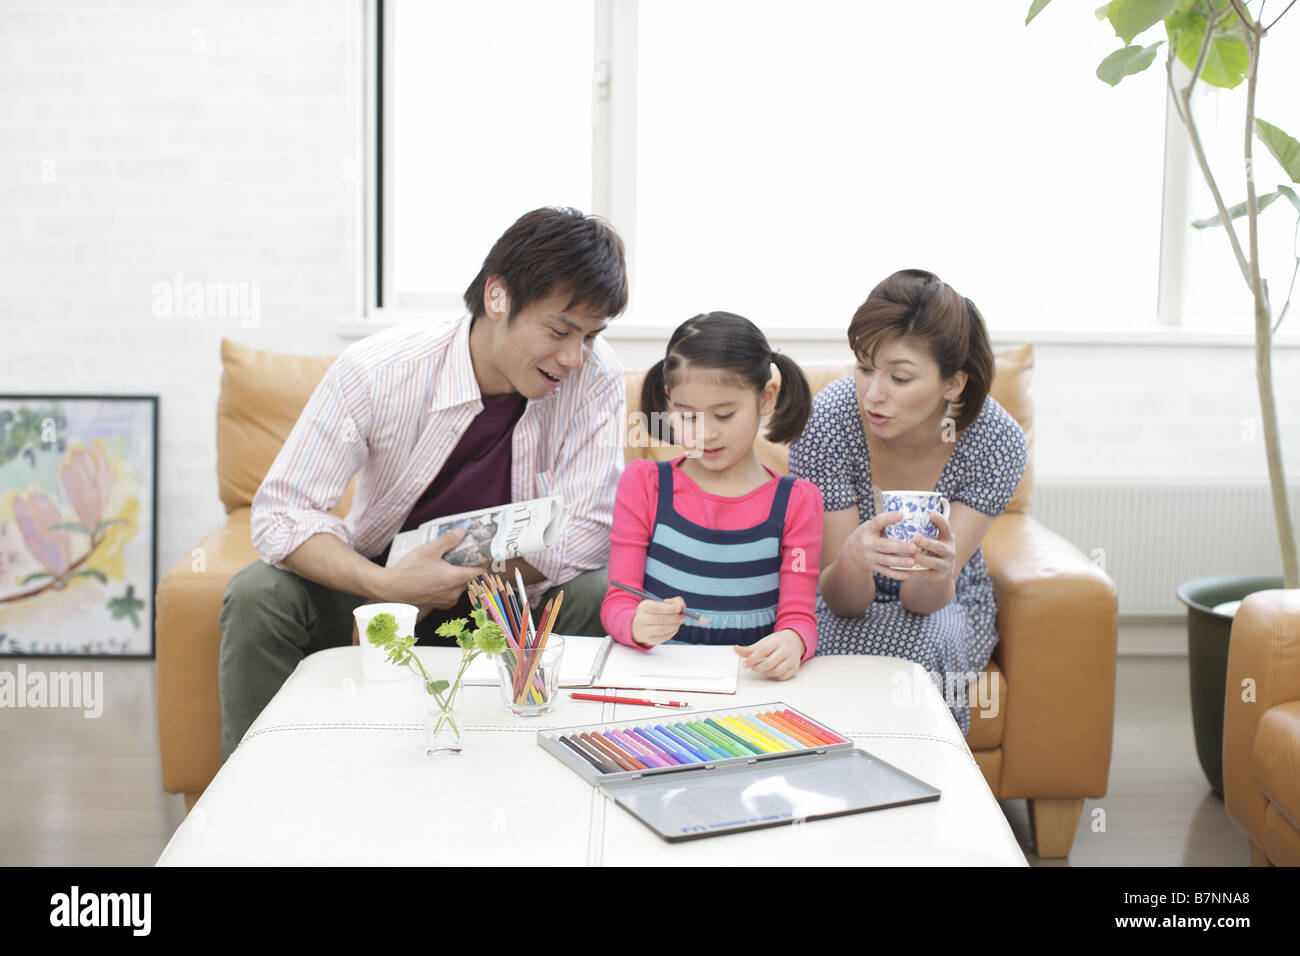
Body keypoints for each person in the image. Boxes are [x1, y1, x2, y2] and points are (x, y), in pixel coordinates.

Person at [219, 207, 629, 761]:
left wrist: (459, 578)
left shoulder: (595, 378)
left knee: (597, 591)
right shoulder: (378, 370)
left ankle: (557, 776)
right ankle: (255, 794)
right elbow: (281, 513)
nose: (573, 357)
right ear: (498, 297)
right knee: (257, 594)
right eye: (559, 330)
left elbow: (590, 531)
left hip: (504, 600)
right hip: (375, 588)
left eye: (590, 336)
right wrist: (389, 586)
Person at [787, 268, 1027, 734]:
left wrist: (936, 569)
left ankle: (923, 795)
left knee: (925, 647)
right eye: (863, 368)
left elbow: (925, 602)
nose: (873, 395)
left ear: (953, 384)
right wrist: (854, 560)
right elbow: (841, 599)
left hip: (943, 601)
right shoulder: (829, 422)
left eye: (899, 377)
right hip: (841, 593)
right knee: (829, 646)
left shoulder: (996, 441)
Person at [599, 312, 822, 681]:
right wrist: (636, 624)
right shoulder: (645, 484)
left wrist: (792, 642)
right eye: (687, 417)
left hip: (752, 685)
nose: (705, 433)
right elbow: (617, 602)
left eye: (723, 415)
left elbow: (800, 618)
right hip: (660, 682)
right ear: (669, 401)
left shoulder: (797, 501)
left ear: (766, 398)